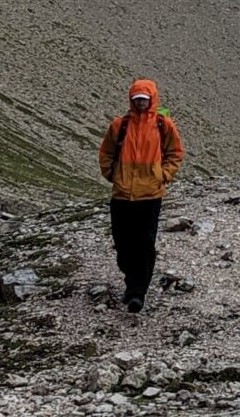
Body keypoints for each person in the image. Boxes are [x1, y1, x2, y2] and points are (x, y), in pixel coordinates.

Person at [97, 78, 185, 312]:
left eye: (144, 100)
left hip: (150, 195)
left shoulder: (162, 124)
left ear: (152, 99)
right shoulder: (120, 125)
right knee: (123, 243)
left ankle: (138, 292)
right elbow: (106, 152)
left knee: (144, 244)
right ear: (131, 100)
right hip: (122, 195)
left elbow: (175, 153)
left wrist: (163, 175)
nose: (141, 104)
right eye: (137, 100)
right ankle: (131, 280)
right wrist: (113, 175)